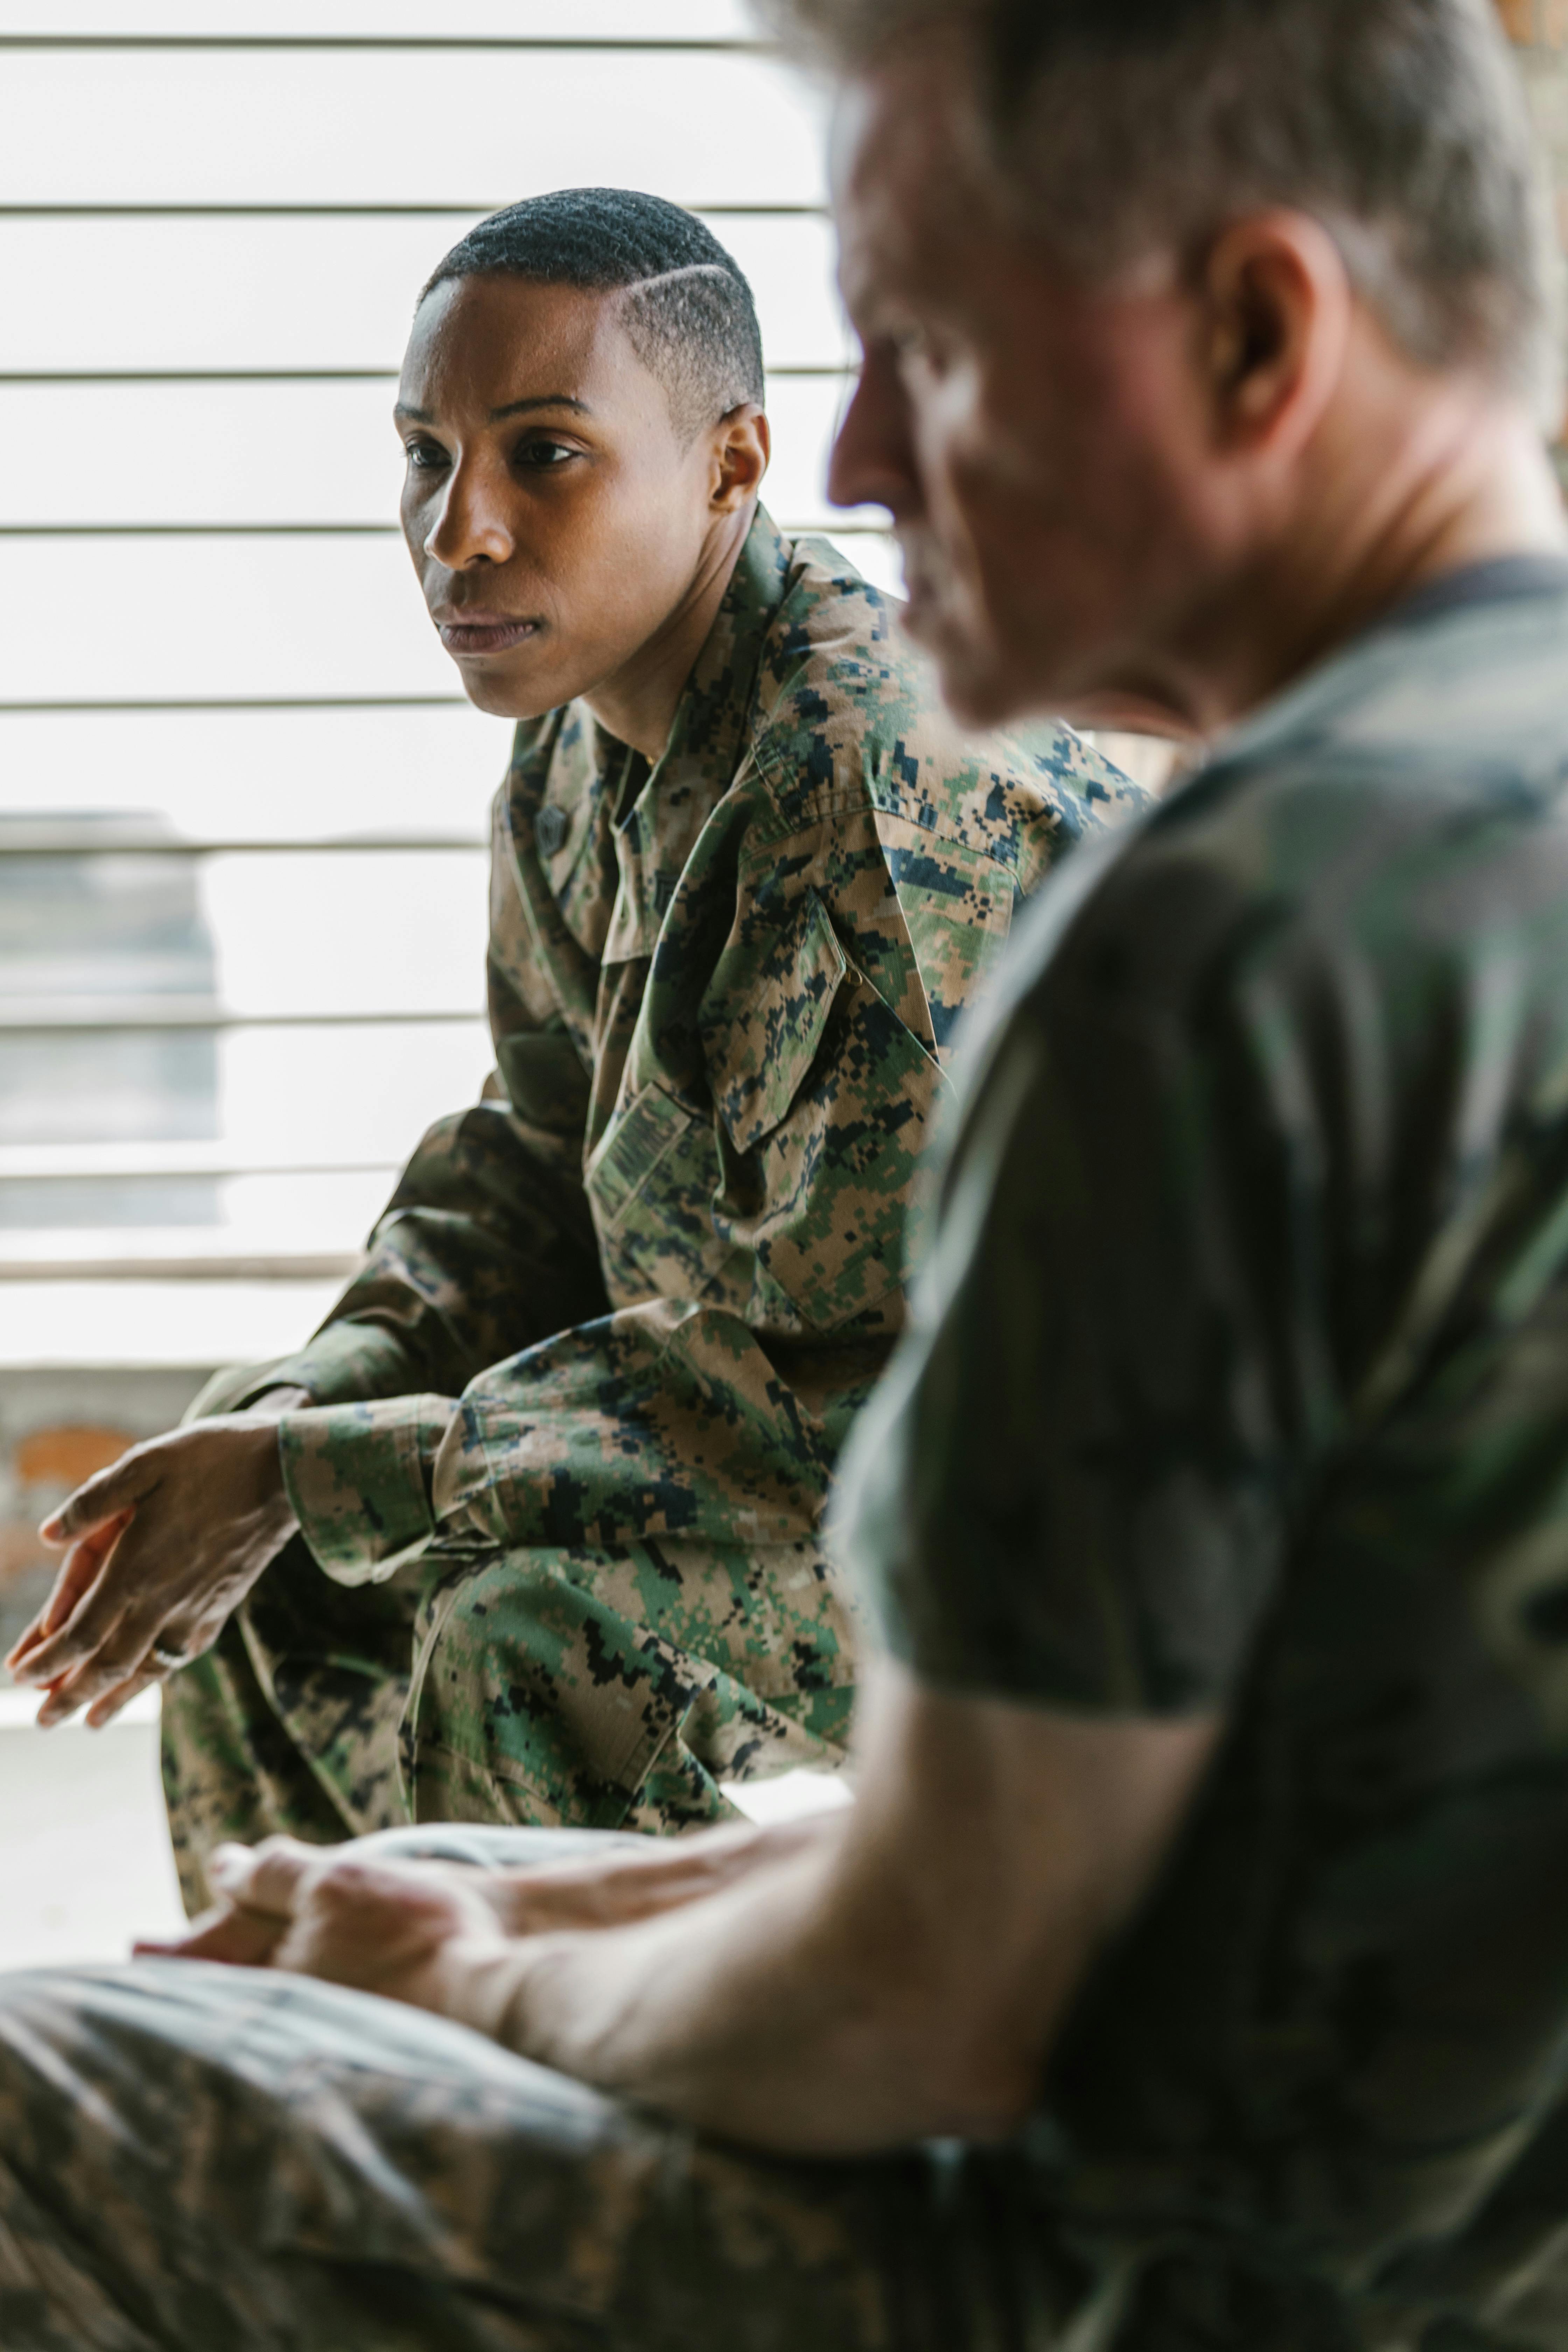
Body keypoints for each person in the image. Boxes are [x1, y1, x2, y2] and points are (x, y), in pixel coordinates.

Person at [8, 2, 1568, 2345]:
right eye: (424, 460)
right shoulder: (1465, 800)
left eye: (931, 347)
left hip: (1153, 2267)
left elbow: (929, 1970)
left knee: (45, 2082)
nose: (856, 454)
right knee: (333, 1723)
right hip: (1334, 2129)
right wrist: (322, 1459)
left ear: (1258, 334)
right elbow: (539, 1161)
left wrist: (479, 1974)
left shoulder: (1186, 946)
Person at [4, 187, 1136, 1913]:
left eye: (544, 454)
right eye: (424, 457)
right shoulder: (578, 742)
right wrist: (309, 1411)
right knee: (274, 1543)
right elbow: (538, 1166)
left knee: (536, 1637)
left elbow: (845, 1388)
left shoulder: (864, 790)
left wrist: (321, 1473)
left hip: (1088, 1504)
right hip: (813, 1437)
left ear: (732, 465)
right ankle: (347, 2032)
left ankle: (573, 2072)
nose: (459, 530)